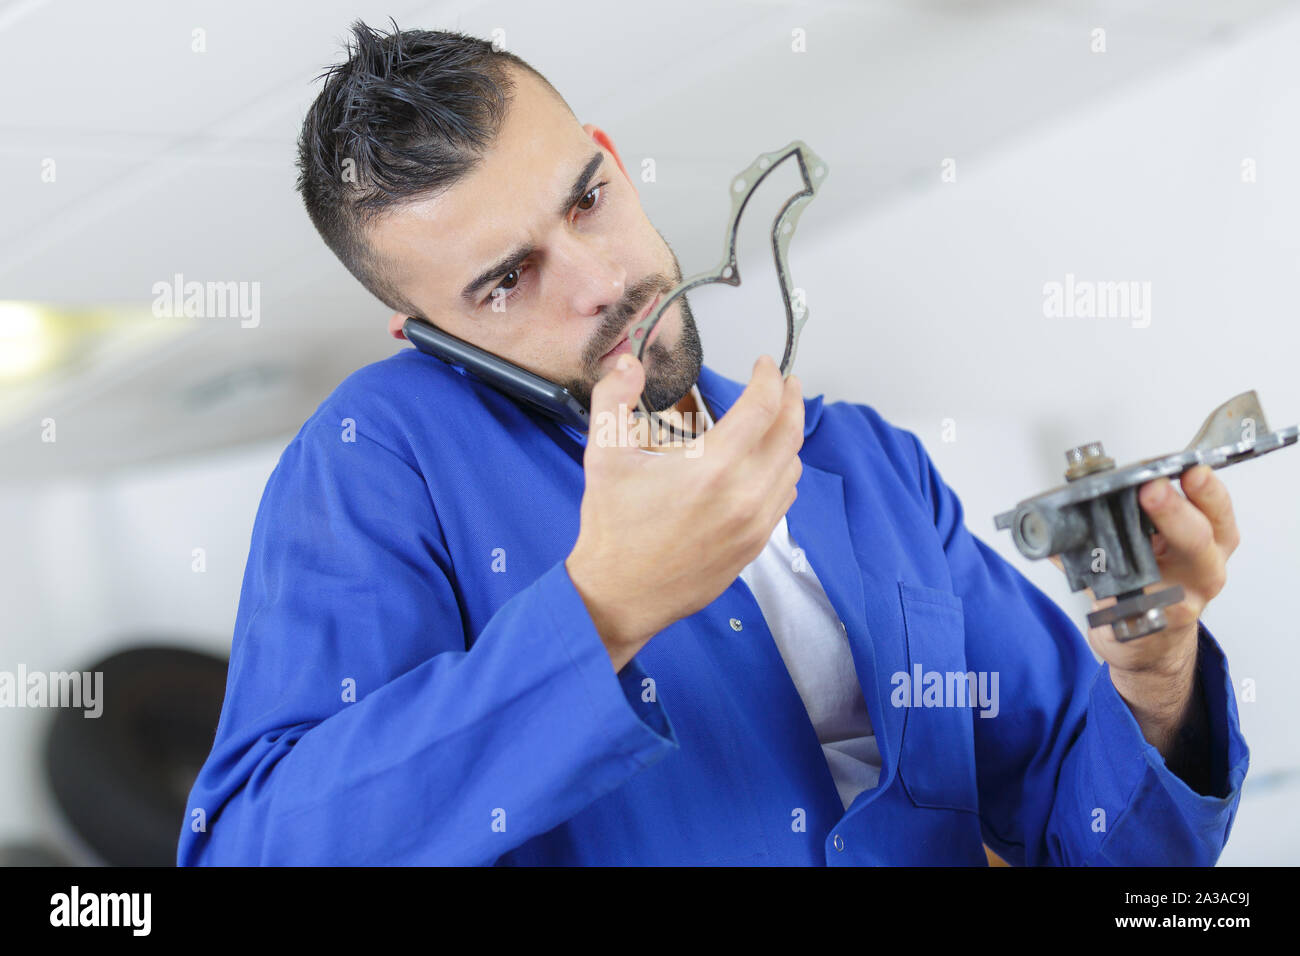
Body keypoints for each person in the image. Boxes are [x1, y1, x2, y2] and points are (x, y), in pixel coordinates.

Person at [178, 20, 1247, 866]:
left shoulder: (863, 466)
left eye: (586, 203)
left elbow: (1099, 842)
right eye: (507, 280)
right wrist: (605, 608)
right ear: (432, 335)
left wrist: (1155, 673)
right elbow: (255, 847)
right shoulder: (380, 457)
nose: (600, 282)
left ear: (612, 162)